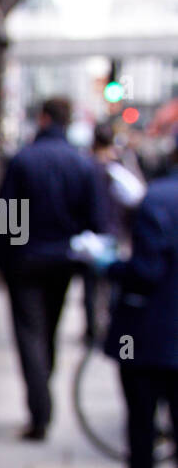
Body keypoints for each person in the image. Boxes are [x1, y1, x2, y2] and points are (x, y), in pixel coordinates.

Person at [0, 97, 109, 440]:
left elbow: (5, 217)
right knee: (48, 329)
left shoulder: (23, 161)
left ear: (43, 118)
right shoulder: (83, 164)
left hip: (25, 260)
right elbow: (97, 222)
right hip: (62, 261)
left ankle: (39, 411)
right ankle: (43, 394)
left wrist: (2, 261)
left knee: (30, 333)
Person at [91, 144, 178, 468]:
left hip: (151, 335)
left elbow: (145, 271)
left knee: (142, 426)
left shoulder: (157, 200)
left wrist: (110, 265)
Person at [86, 124, 146, 340]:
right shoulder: (118, 166)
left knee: (93, 283)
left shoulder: (89, 165)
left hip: (93, 232)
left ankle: (93, 328)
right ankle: (106, 325)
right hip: (113, 230)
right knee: (109, 281)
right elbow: (137, 195)